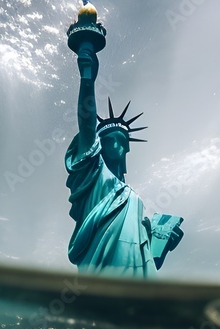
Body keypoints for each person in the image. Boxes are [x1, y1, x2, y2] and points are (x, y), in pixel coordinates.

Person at [65, 43, 183, 276]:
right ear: (98, 147)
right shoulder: (95, 176)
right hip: (101, 275)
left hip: (138, 291)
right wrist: (87, 73)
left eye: (121, 140)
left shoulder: (131, 197)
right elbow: (87, 124)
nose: (116, 145)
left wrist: (162, 245)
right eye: (108, 140)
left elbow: (143, 260)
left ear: (128, 148)